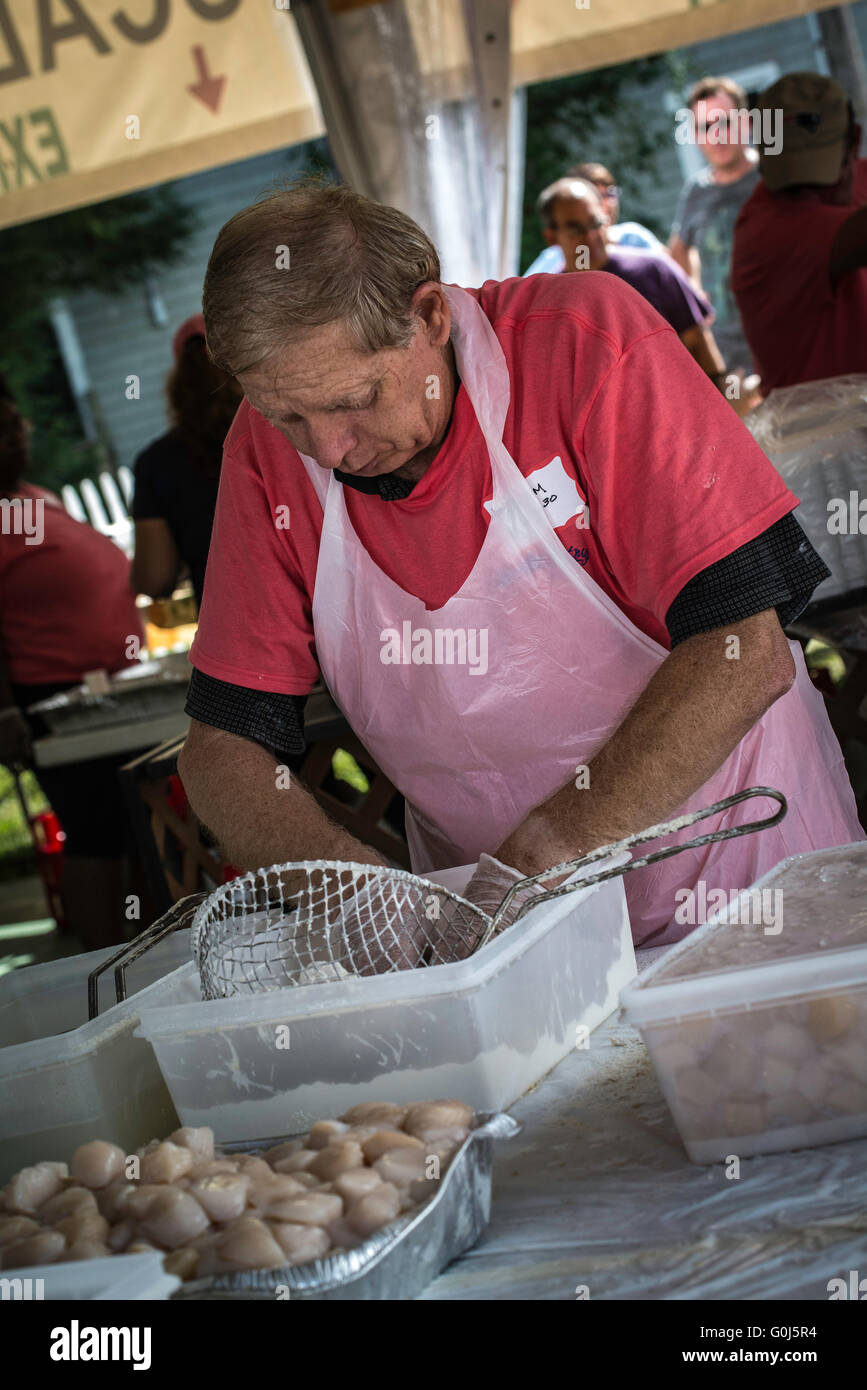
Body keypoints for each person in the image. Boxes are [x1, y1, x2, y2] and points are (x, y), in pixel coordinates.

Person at [176, 178, 862, 950]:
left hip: (748, 873)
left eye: (354, 399)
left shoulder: (582, 339)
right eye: (287, 416)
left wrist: (547, 856)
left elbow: (744, 652)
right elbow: (223, 749)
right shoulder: (266, 451)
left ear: (429, 316)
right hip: (508, 941)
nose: (327, 448)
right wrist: (352, 891)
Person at [0, 376, 145, 950]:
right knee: (95, 831)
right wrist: (4, 712)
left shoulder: (36, 497)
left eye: (16, 422)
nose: (16, 434)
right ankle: (100, 956)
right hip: (51, 698)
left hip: (107, 693)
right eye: (0, 429)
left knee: (133, 824)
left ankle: (142, 943)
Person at [731, 73, 867, 394]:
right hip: (824, 438)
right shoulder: (767, 232)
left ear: (854, 144)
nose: (803, 188)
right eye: (787, 171)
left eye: (818, 171)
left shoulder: (857, 180)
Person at [538, 177, 726, 385]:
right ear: (551, 236)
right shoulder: (550, 307)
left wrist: (722, 406)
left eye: (595, 223)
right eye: (576, 230)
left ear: (606, 218)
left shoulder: (653, 269)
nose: (590, 236)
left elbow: (699, 343)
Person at [131, 313, 243, 610]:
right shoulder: (291, 427)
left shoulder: (156, 464)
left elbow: (155, 579)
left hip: (230, 634)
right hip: (324, 621)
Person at [669, 75, 760, 376]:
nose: (716, 135)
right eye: (704, 127)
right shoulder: (696, 192)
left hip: (789, 342)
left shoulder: (774, 179)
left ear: (745, 122)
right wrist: (693, 292)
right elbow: (678, 254)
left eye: (724, 122)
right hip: (729, 357)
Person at [524, 161, 665, 276]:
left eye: (610, 193)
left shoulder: (633, 237)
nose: (606, 203)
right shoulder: (554, 258)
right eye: (596, 195)